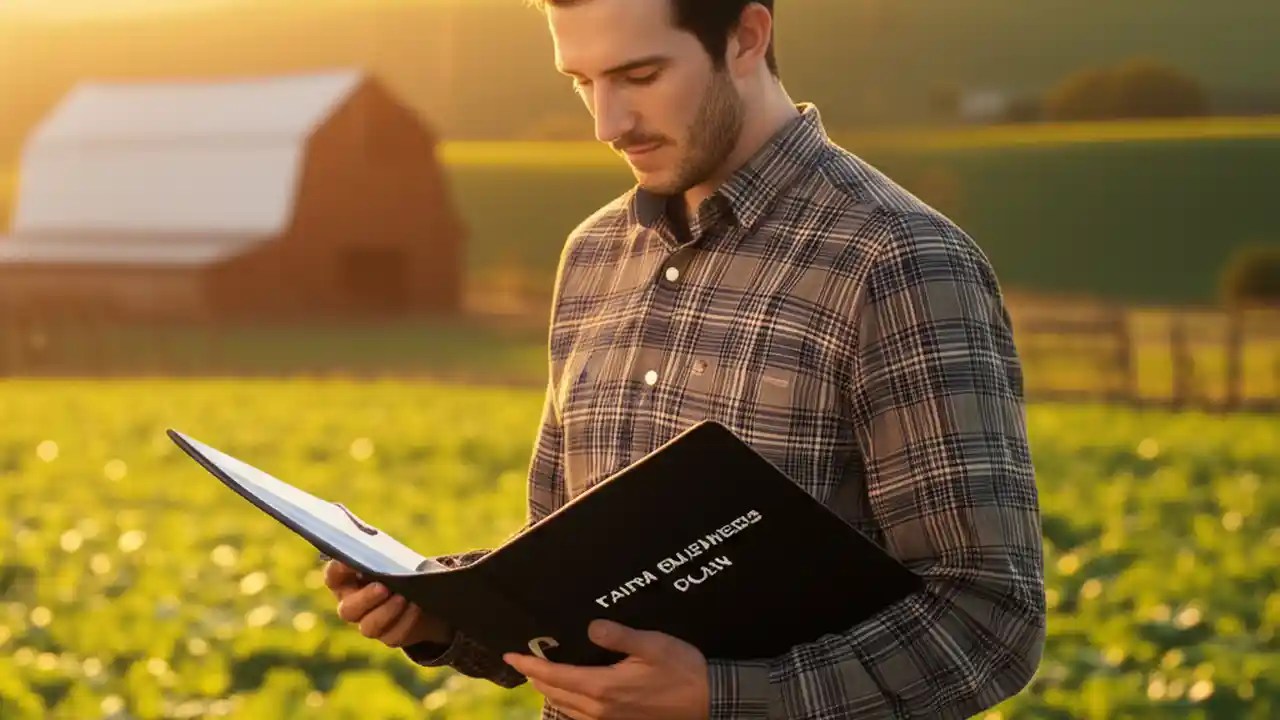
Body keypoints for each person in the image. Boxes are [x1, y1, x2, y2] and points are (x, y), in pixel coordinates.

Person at [325, 0, 1046, 717]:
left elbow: (988, 623)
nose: (608, 124)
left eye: (638, 75)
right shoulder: (594, 254)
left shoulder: (899, 260)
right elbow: (557, 585)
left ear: (747, 36)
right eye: (582, 82)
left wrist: (722, 701)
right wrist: (444, 612)